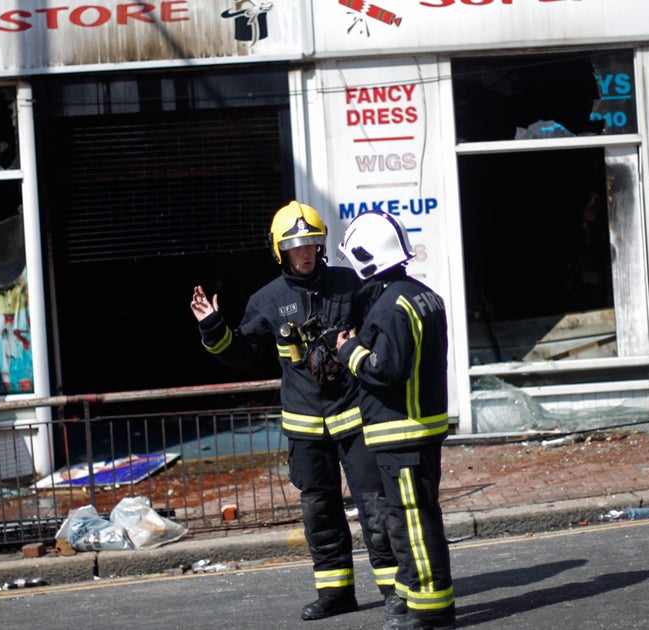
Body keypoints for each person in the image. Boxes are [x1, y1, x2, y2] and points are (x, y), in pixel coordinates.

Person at [190, 201, 401, 622]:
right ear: (279, 250)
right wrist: (214, 328)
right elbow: (245, 354)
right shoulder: (266, 299)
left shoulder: (349, 283)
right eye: (295, 246)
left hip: (355, 416)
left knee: (375, 504)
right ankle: (335, 592)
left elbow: (380, 331)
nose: (305, 252)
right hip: (305, 424)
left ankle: (395, 590)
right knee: (319, 510)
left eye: (311, 243)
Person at [334, 210, 455, 630]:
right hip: (419, 428)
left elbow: (387, 369)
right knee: (418, 517)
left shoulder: (390, 306)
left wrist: (350, 352)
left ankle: (428, 609)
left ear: (366, 256)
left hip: (400, 431)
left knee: (413, 523)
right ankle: (423, 598)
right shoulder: (421, 294)